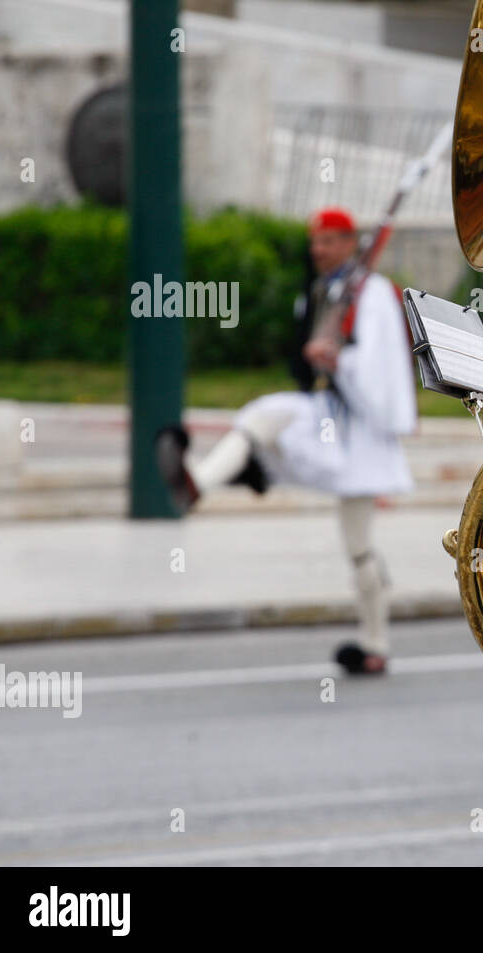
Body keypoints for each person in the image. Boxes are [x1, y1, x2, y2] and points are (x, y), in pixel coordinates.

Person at [155, 206, 417, 675]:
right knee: (262, 416)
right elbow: (304, 367)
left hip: (363, 431)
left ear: (348, 243)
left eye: (328, 241)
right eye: (314, 241)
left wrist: (339, 362)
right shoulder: (321, 292)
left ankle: (375, 645)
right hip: (326, 417)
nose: (317, 250)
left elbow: (379, 370)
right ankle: (200, 483)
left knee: (358, 543)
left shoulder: (371, 293)